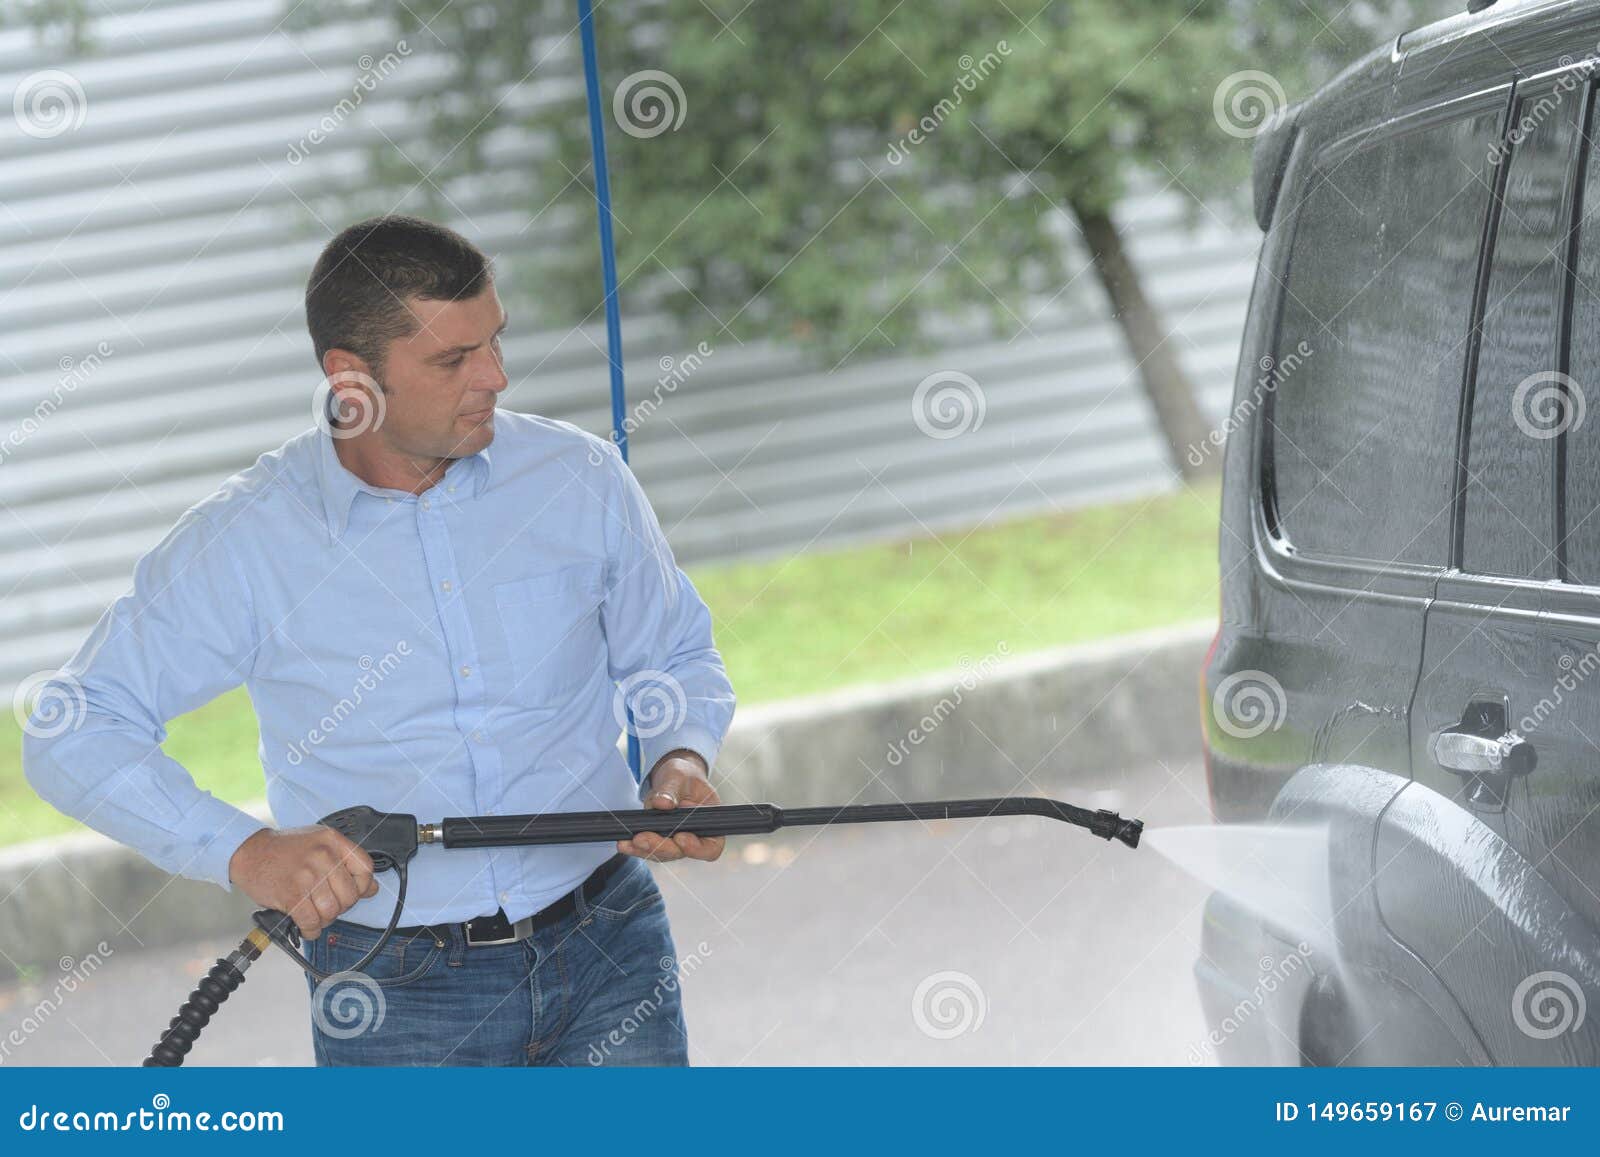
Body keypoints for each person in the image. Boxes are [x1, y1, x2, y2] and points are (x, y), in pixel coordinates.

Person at [21, 214, 736, 1066]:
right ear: (349, 378)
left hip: (612, 941)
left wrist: (677, 760)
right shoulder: (247, 541)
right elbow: (72, 725)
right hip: (396, 992)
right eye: (453, 360)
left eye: (495, 342)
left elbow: (673, 654)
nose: (497, 378)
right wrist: (243, 851)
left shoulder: (578, 479)